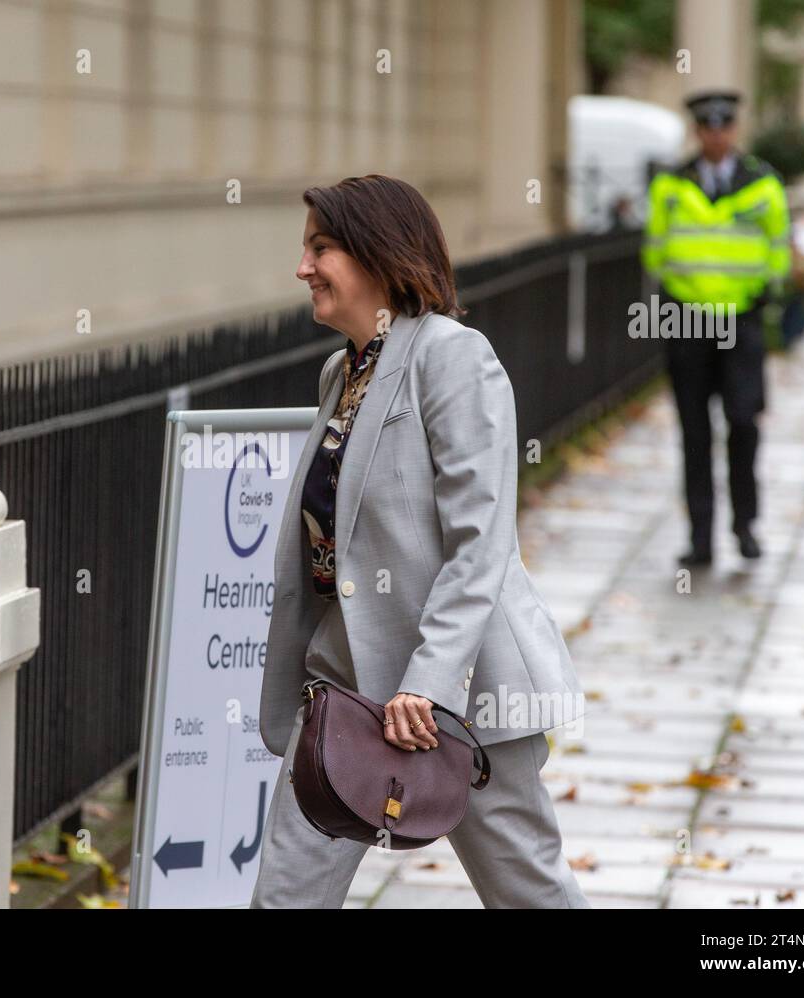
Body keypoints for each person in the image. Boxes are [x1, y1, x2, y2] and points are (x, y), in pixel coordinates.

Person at [250, 175, 589, 909]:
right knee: (282, 900)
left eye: (321, 248)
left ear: (378, 255)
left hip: (458, 700)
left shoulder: (452, 357)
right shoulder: (341, 371)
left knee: (530, 896)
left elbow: (481, 544)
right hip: (343, 696)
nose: (303, 268)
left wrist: (428, 684)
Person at [642, 89, 791, 566]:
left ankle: (745, 525)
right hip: (686, 319)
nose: (716, 135)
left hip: (742, 321)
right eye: (707, 126)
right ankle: (701, 538)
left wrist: (769, 290)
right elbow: (655, 248)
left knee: (744, 422)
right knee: (694, 430)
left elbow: (779, 245)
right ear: (697, 131)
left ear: (734, 129)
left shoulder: (762, 182)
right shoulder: (671, 184)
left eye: (724, 126)